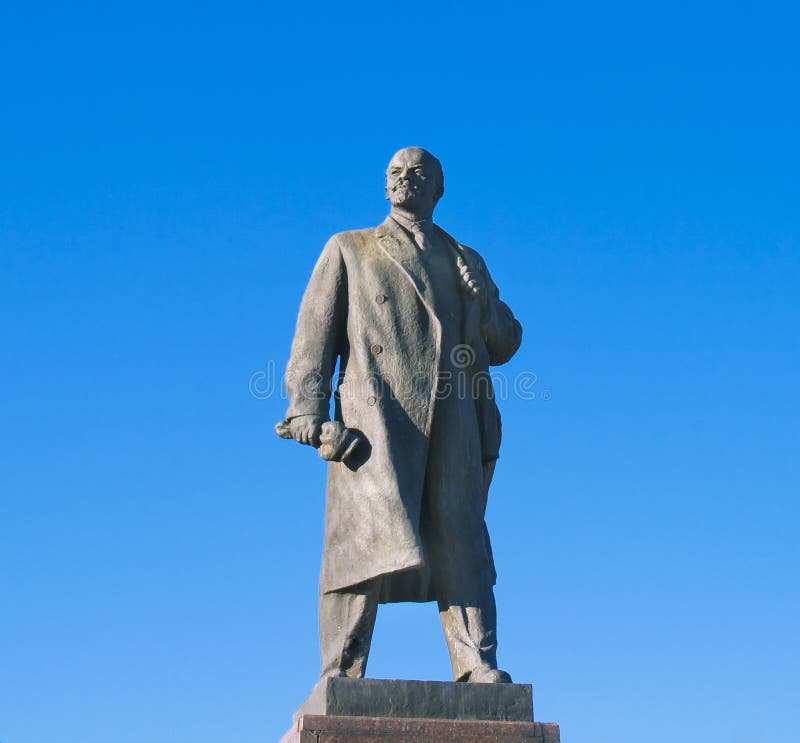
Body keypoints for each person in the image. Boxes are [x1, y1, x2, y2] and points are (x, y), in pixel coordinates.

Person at [281, 147, 522, 683]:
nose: (404, 179)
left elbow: (505, 342)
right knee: (360, 544)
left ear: (439, 189)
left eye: (417, 173)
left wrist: (484, 303)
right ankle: (342, 671)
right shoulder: (351, 248)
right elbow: (313, 339)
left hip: (455, 418)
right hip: (376, 422)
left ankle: (477, 663)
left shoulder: (465, 257)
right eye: (395, 172)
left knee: (461, 541)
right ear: (385, 186)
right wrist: (307, 410)